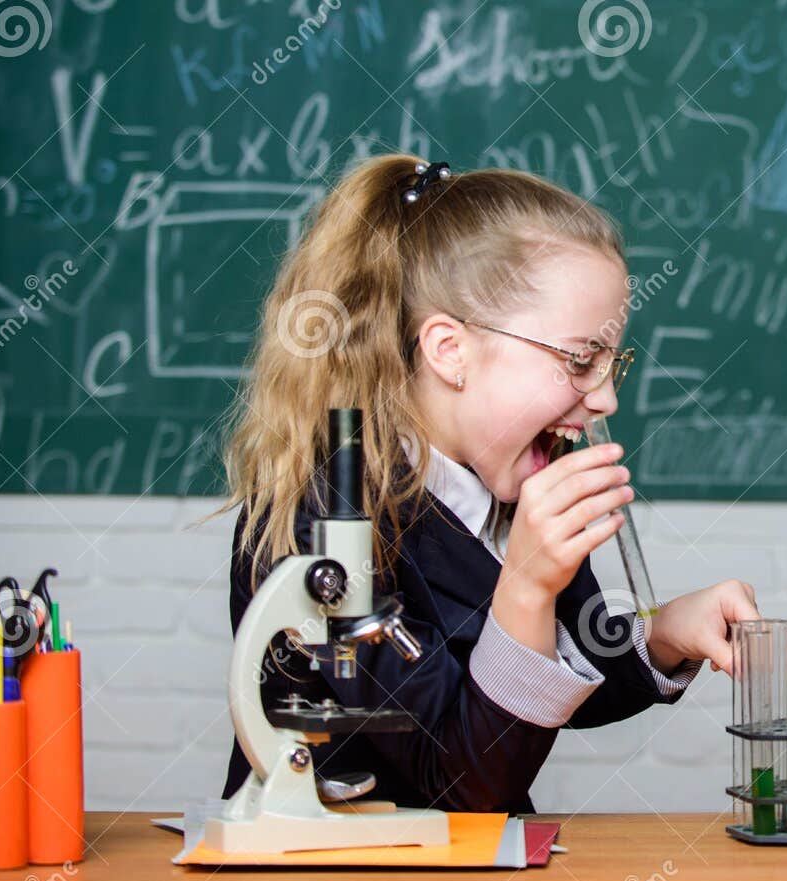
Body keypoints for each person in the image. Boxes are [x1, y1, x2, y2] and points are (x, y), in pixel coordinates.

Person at [218, 155, 759, 813]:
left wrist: (664, 634)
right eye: (580, 360)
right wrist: (526, 584)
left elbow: (549, 682)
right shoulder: (326, 522)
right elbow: (461, 780)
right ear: (450, 351)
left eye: (614, 363)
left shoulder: (504, 487)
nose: (608, 398)